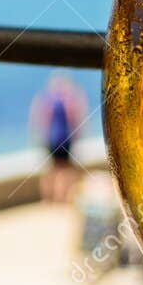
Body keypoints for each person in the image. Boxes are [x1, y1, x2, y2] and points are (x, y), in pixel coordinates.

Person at [29, 72, 88, 205]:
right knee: (67, 169)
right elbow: (76, 118)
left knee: (51, 169)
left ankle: (48, 198)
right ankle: (64, 197)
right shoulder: (69, 98)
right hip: (65, 139)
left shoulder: (47, 98)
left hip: (51, 139)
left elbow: (38, 118)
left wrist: (38, 137)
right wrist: (78, 136)